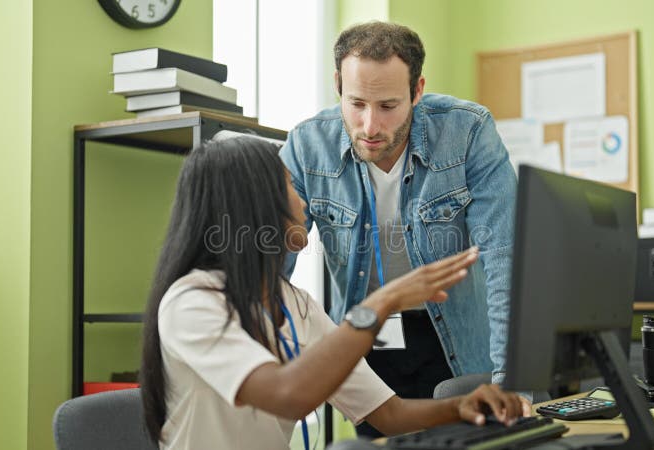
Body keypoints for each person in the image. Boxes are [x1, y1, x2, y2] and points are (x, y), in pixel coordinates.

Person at [139, 137, 526, 450]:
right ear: (254, 203)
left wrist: (461, 406)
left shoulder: (295, 305)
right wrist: (382, 302)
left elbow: (390, 414)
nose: (302, 200)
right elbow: (288, 393)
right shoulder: (190, 303)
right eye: (289, 185)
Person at [279, 21, 525, 437]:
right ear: (338, 84)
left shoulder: (467, 133)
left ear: (417, 90)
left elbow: (504, 257)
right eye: (356, 103)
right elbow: (272, 262)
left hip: (454, 337)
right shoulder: (307, 145)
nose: (370, 125)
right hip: (367, 338)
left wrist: (511, 383)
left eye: (388, 106)